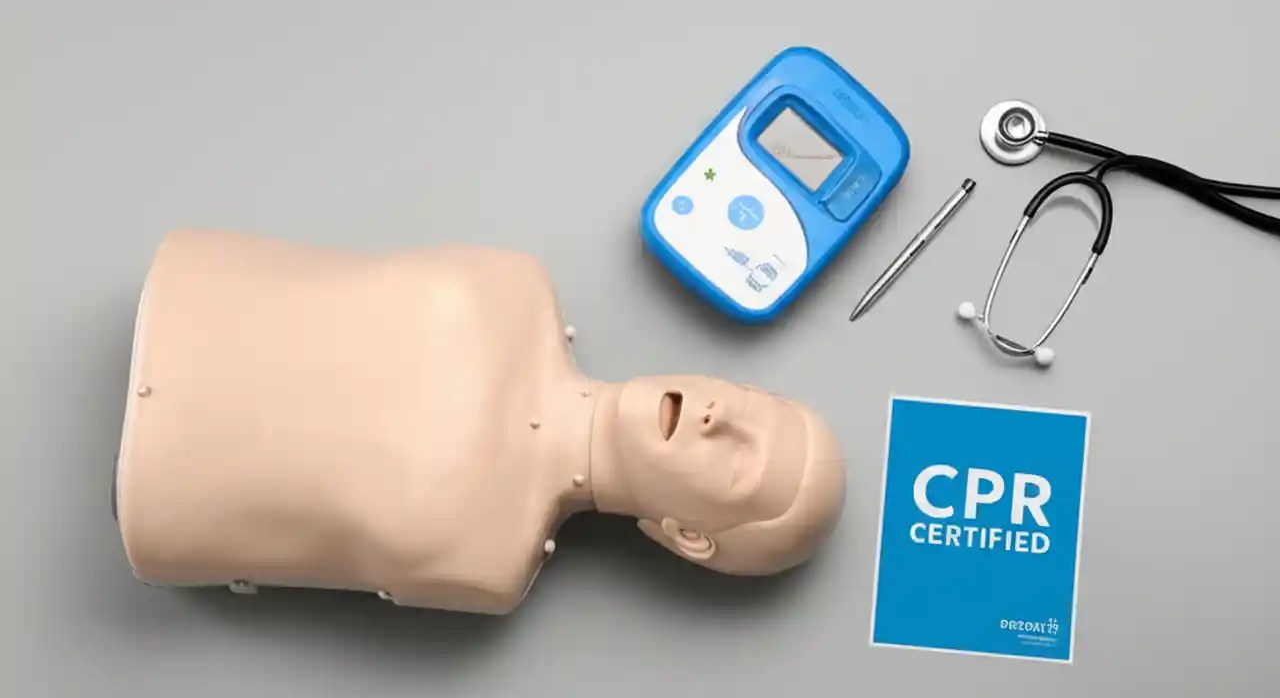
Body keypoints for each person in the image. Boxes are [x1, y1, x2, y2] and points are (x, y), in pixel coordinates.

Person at [115, 230, 845, 614]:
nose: (719, 414)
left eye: (738, 459)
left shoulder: (488, 570)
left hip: (146, 501)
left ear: (689, 536)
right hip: (182, 286)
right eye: (748, 400)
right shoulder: (515, 285)